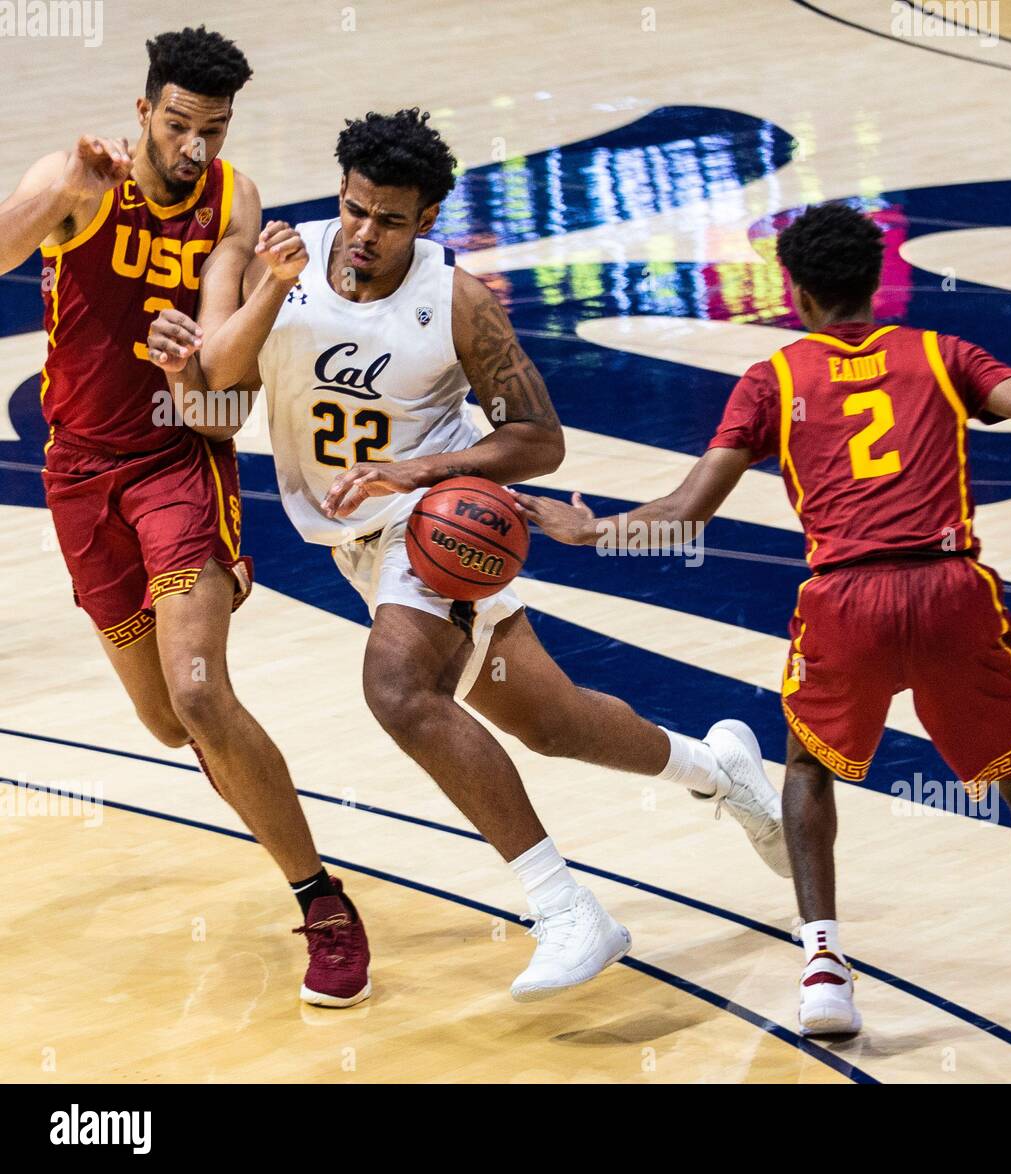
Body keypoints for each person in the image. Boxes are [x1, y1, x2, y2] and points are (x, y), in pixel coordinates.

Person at [515, 201, 1011, 1052]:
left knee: (805, 767)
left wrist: (589, 530)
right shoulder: (943, 354)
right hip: (949, 588)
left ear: (792, 289)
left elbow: (686, 513)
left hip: (844, 600)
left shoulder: (775, 379)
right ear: (878, 281)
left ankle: (824, 966)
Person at [145, 109, 788, 1002]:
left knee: (398, 690)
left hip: (437, 524)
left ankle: (565, 910)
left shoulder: (456, 302)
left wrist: (418, 467)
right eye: (357, 209)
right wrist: (185, 372)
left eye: (393, 219)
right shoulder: (281, 272)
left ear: (430, 218)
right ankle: (720, 771)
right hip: (355, 547)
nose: (367, 234)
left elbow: (540, 440)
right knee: (552, 723)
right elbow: (219, 415)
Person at [0, 26, 372, 1008]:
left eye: (213, 128)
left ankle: (322, 900)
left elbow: (218, 387)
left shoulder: (231, 198)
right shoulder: (79, 183)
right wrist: (46, 198)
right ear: (143, 112)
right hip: (79, 474)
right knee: (168, 722)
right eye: (178, 126)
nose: (194, 147)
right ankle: (273, 823)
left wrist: (191, 356)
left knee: (201, 692)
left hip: (178, 460)